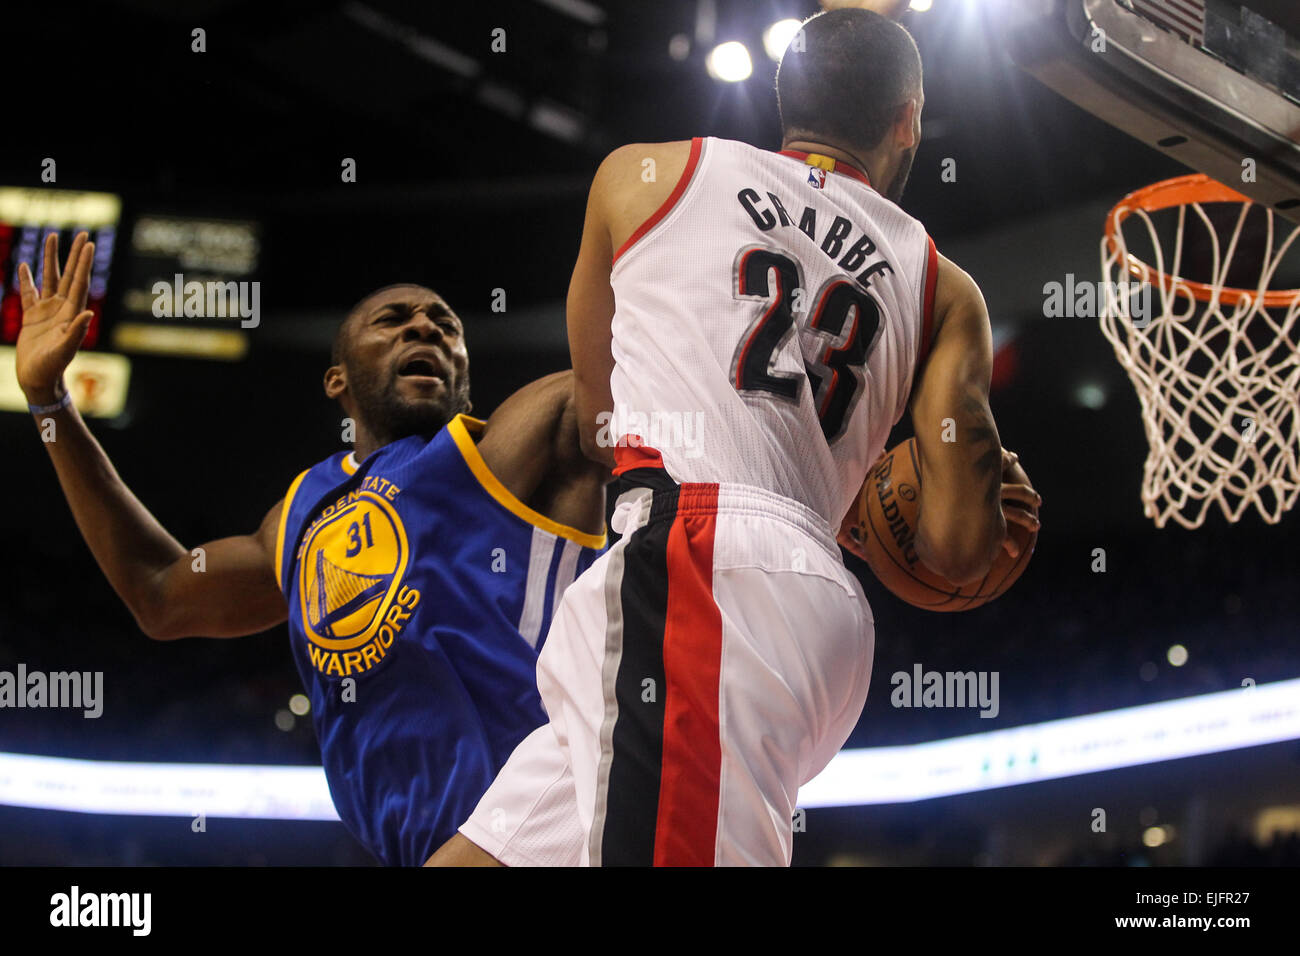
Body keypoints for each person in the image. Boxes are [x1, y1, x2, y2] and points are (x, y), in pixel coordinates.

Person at [431, 5, 1039, 867]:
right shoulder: (947, 288)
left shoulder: (639, 177)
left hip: (694, 561)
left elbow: (601, 425)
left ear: (783, 99)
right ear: (909, 120)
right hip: (808, 601)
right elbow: (960, 543)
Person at [15, 232, 607, 865]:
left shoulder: (508, 450)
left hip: (550, 820)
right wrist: (49, 403)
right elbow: (160, 592)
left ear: (465, 374)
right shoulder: (301, 513)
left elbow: (610, 378)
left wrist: (634, 237)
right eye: (394, 320)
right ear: (337, 380)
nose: (425, 330)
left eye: (445, 325)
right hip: (427, 849)